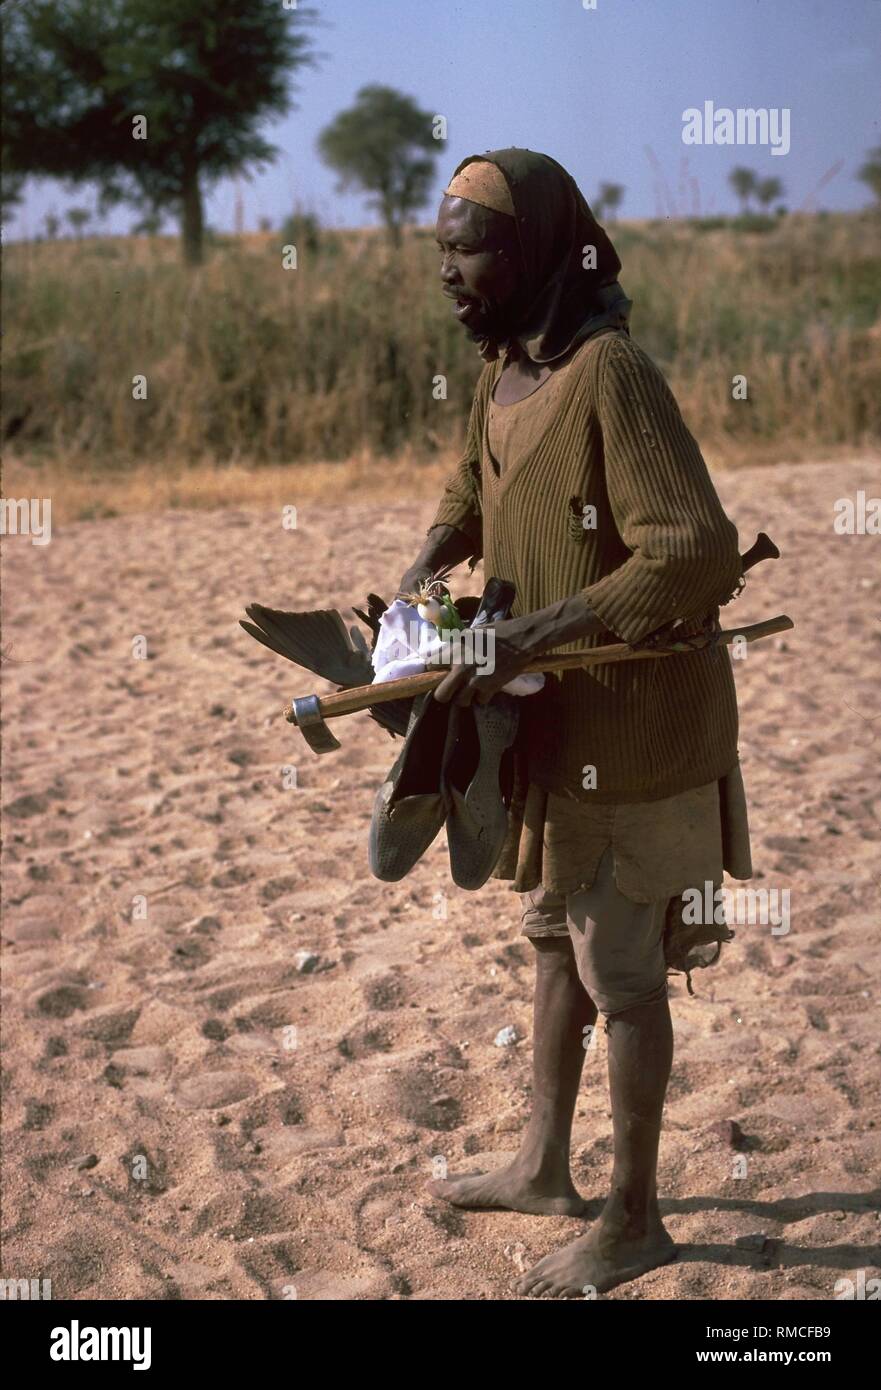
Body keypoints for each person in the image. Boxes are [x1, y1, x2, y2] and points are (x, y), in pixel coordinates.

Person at [397, 148, 753, 1298]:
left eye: (469, 249)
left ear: (536, 250)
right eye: (440, 247)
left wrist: (541, 630)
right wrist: (421, 569)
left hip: (635, 724)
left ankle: (633, 1217)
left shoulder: (612, 374)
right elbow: (476, 486)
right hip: (550, 726)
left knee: (620, 968)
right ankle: (544, 1165)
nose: (448, 270)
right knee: (551, 937)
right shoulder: (505, 365)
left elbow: (690, 550)